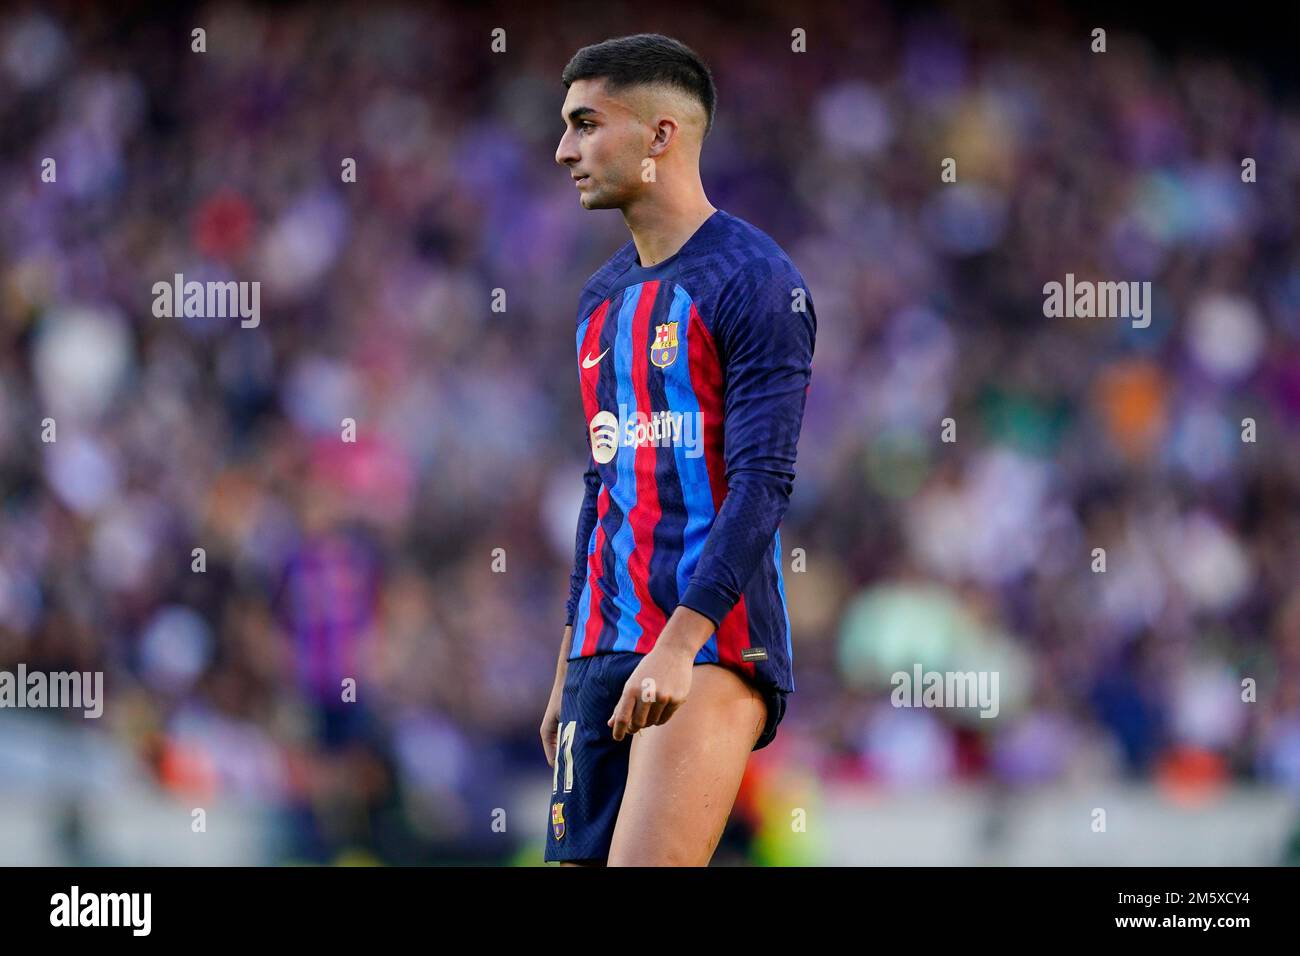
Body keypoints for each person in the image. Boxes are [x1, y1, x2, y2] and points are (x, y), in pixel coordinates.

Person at [541, 33, 816, 866]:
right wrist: (565, 664)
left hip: (704, 646)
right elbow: (606, 485)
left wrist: (677, 643)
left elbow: (763, 483)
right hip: (602, 646)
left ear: (661, 134)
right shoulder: (600, 299)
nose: (564, 151)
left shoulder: (756, 280)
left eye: (587, 124)